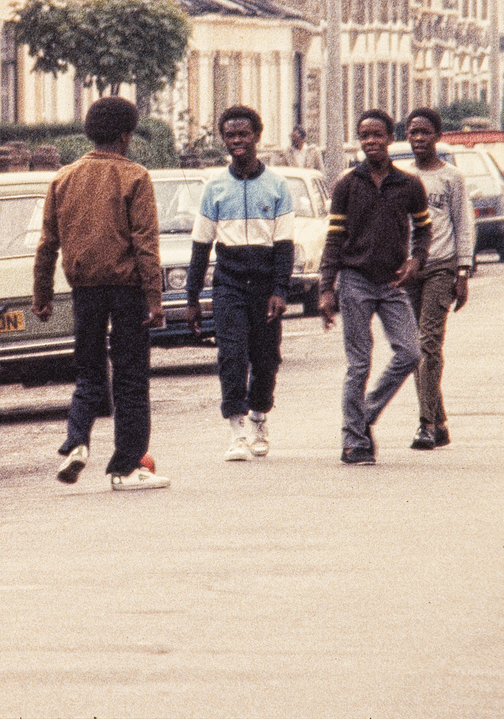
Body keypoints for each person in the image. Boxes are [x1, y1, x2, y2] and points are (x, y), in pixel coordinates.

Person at [33, 96, 170, 491]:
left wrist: (42, 293)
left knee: (89, 373)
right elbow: (146, 244)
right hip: (127, 292)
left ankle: (77, 441)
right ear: (126, 136)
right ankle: (126, 467)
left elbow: (47, 244)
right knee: (130, 379)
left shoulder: (63, 178)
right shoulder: (136, 177)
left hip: (84, 292)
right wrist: (155, 299)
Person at [318, 109, 432, 465]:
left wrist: (416, 261)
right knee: (359, 363)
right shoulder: (347, 186)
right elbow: (334, 239)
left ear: (390, 138)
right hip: (355, 282)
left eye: (377, 135)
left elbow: (424, 229)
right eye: (364, 136)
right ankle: (354, 443)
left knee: (411, 353)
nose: (371, 142)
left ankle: (363, 415)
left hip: (393, 283)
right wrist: (326, 288)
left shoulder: (409, 185)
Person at [185, 106, 295, 461]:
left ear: (256, 137)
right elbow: (201, 246)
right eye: (230, 135)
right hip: (229, 282)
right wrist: (191, 298)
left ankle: (259, 418)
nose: (237, 141)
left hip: (264, 284)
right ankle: (236, 433)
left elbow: (284, 245)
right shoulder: (214, 187)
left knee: (266, 358)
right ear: (224, 140)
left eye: (243, 134)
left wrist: (280, 290)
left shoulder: (278, 185)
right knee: (231, 355)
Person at [399, 108, 474, 450]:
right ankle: (440, 421)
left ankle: (425, 424)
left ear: (437, 136)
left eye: (425, 132)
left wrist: (463, 270)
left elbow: (463, 224)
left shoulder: (452, 178)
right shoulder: (401, 178)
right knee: (416, 348)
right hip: (410, 269)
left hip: (442, 267)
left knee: (428, 344)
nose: (418, 139)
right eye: (413, 132)